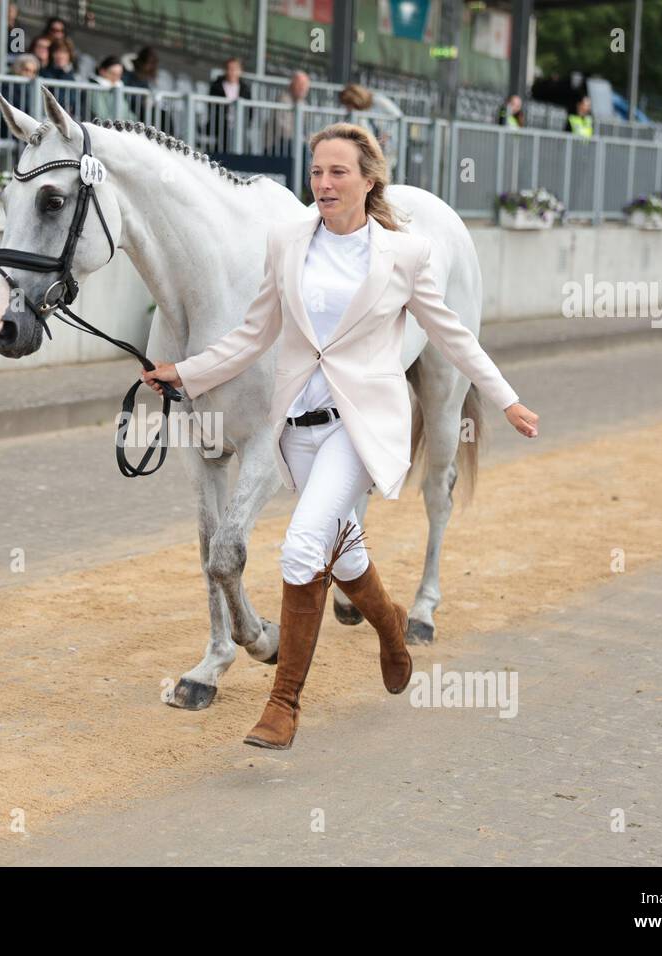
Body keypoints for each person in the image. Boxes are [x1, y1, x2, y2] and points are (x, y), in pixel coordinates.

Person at [141, 123, 539, 749]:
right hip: (294, 428)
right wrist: (183, 374)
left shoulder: (403, 254)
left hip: (359, 427)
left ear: (368, 179)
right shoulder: (288, 243)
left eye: (338, 173)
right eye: (317, 172)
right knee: (342, 549)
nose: (324, 184)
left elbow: (455, 335)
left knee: (301, 549)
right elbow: (252, 335)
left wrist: (506, 398)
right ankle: (390, 622)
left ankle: (283, 705)